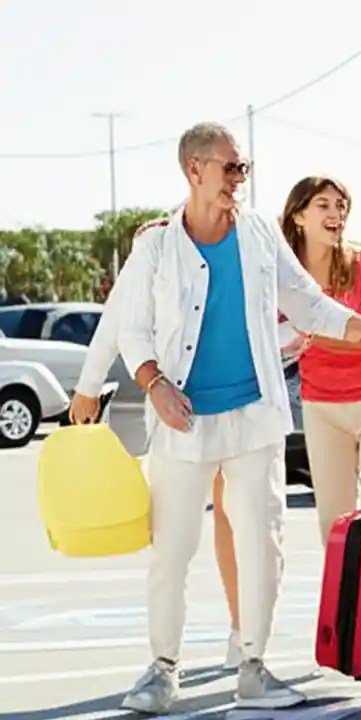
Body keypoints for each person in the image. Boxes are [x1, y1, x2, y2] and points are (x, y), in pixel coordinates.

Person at [98, 121, 361, 714]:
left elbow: (308, 304)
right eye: (230, 168)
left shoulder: (260, 234)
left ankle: (253, 665)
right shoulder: (158, 244)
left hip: (253, 417)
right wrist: (153, 383)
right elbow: (132, 329)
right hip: (185, 420)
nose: (240, 179)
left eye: (243, 168)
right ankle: (162, 668)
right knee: (172, 548)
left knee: (263, 544)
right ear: (195, 169)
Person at [71, 220, 247, 674]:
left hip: (240, 414)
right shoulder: (152, 256)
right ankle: (168, 659)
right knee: (174, 543)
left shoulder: (231, 252)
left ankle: (243, 633)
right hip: (179, 415)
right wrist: (88, 386)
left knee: (243, 528)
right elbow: (115, 322)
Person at [277, 176, 361, 541]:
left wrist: (310, 335)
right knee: (334, 527)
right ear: (298, 216)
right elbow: (273, 334)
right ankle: (344, 599)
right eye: (324, 205)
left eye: (341, 206)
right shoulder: (283, 275)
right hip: (322, 406)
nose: (336, 213)